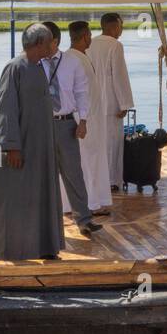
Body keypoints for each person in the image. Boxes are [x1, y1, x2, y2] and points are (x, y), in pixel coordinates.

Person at [0, 23, 64, 260]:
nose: (54, 45)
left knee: (38, 195)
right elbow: (5, 110)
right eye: (51, 41)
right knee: (11, 198)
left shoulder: (40, 67)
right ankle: (6, 249)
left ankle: (41, 246)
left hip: (40, 146)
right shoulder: (14, 68)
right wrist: (11, 146)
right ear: (39, 43)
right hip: (19, 147)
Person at [40, 21, 102, 237]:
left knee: (74, 174)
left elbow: (81, 92)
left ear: (55, 41)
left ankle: (84, 219)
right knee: (43, 176)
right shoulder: (32, 63)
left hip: (66, 123)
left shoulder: (71, 62)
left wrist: (83, 120)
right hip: (41, 125)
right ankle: (46, 223)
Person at [67, 20, 112, 216]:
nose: (90, 39)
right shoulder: (74, 59)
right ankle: (90, 203)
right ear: (84, 36)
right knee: (87, 162)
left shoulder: (77, 57)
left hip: (90, 118)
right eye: (89, 35)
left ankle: (89, 201)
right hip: (84, 120)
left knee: (91, 161)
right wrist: (82, 121)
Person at [90, 12, 134, 191]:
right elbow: (119, 75)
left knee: (96, 142)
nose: (121, 30)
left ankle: (96, 178)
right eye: (121, 26)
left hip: (93, 103)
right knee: (112, 143)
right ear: (113, 26)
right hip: (111, 102)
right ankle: (111, 181)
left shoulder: (89, 43)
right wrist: (124, 103)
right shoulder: (115, 45)